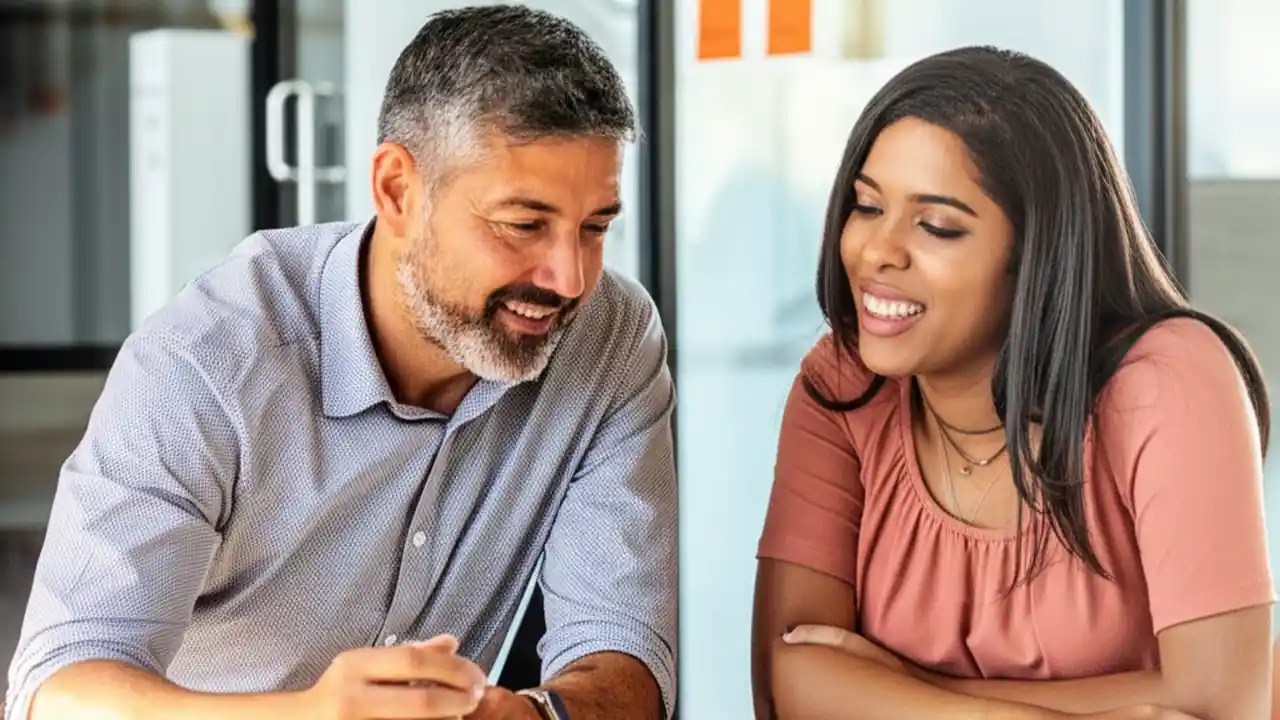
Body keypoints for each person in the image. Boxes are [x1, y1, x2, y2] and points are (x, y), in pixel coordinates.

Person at [6, 6, 675, 720]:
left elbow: (623, 650)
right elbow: (60, 693)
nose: (570, 278)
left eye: (595, 227)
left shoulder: (609, 338)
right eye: (523, 225)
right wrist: (309, 715)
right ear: (397, 190)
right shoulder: (209, 360)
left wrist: (532, 716)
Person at [752, 46, 1273, 720]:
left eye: (937, 226)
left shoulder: (1170, 380)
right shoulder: (843, 386)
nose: (877, 251)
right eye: (867, 206)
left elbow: (1224, 703)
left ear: (1037, 255)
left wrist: (895, 688)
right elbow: (787, 686)